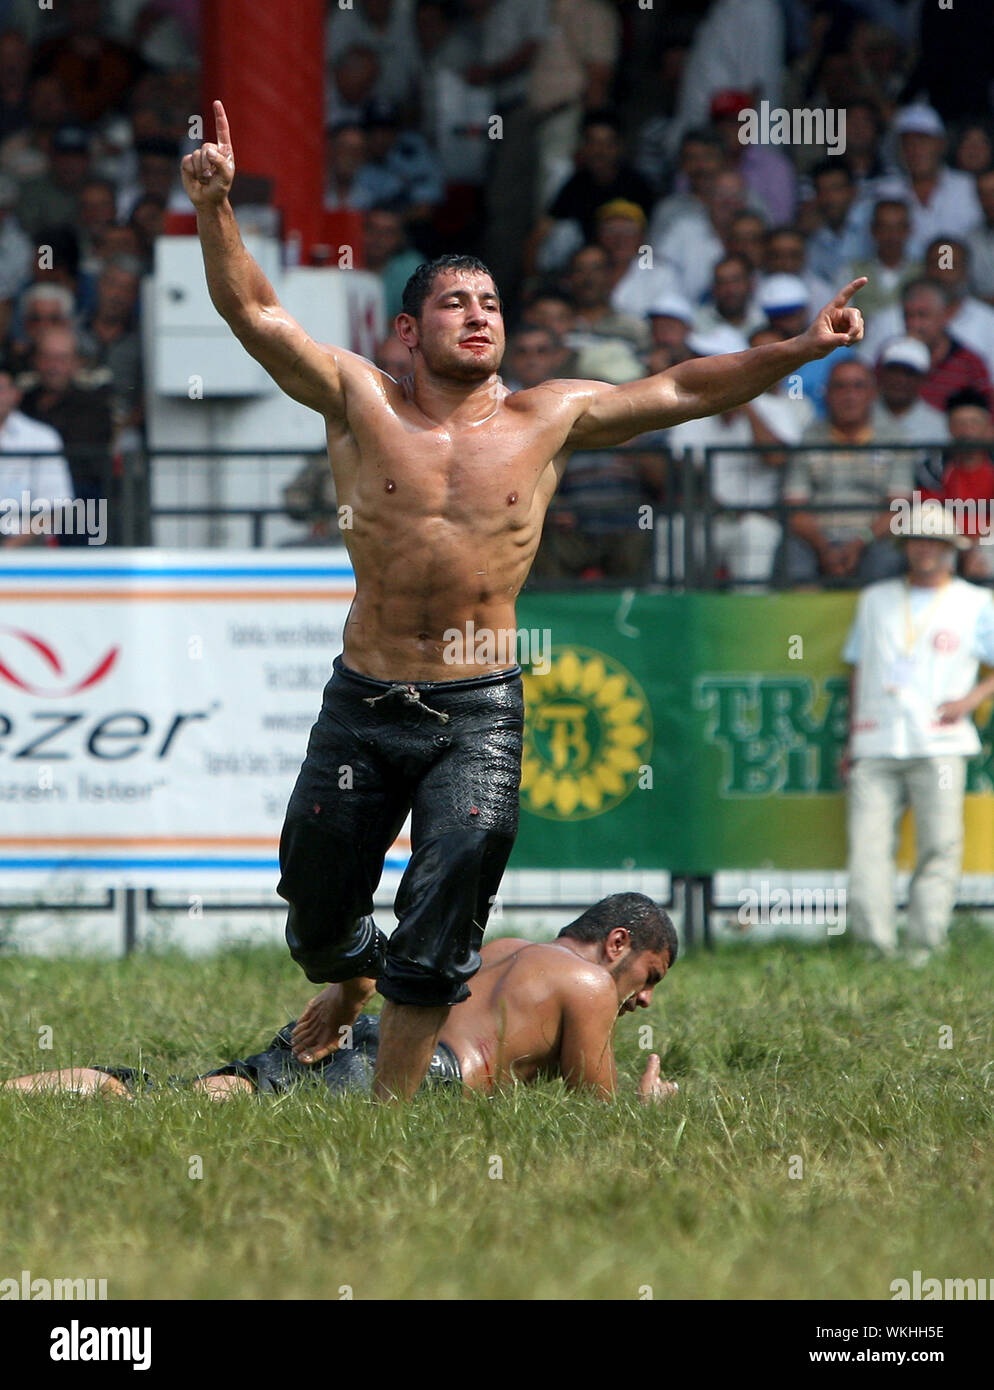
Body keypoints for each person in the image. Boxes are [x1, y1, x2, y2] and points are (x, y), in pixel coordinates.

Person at [182, 101, 866, 1101]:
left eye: (491, 302)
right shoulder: (356, 399)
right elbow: (255, 313)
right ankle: (351, 978)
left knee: (450, 898)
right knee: (316, 909)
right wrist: (214, 206)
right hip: (365, 698)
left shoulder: (549, 417)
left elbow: (680, 390)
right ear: (408, 331)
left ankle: (390, 1122)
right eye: (456, 301)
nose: (480, 313)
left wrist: (796, 350)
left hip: (477, 708)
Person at [3, 895, 680, 1105]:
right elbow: (596, 1109)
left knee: (180, 1095)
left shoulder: (505, 945)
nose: (645, 999)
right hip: (419, 1076)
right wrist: (646, 1107)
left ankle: (20, 1090)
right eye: (650, 976)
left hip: (361, 1037)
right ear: (617, 942)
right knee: (185, 1107)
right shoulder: (588, 983)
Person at [842, 510, 994, 962]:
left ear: (950, 548)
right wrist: (852, 736)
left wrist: (970, 700)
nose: (923, 548)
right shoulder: (874, 599)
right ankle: (874, 948)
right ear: (904, 547)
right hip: (876, 738)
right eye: (916, 540)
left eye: (932, 540)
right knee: (867, 850)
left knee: (940, 846)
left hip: (941, 741)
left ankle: (925, 946)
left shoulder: (976, 602)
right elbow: (858, 668)